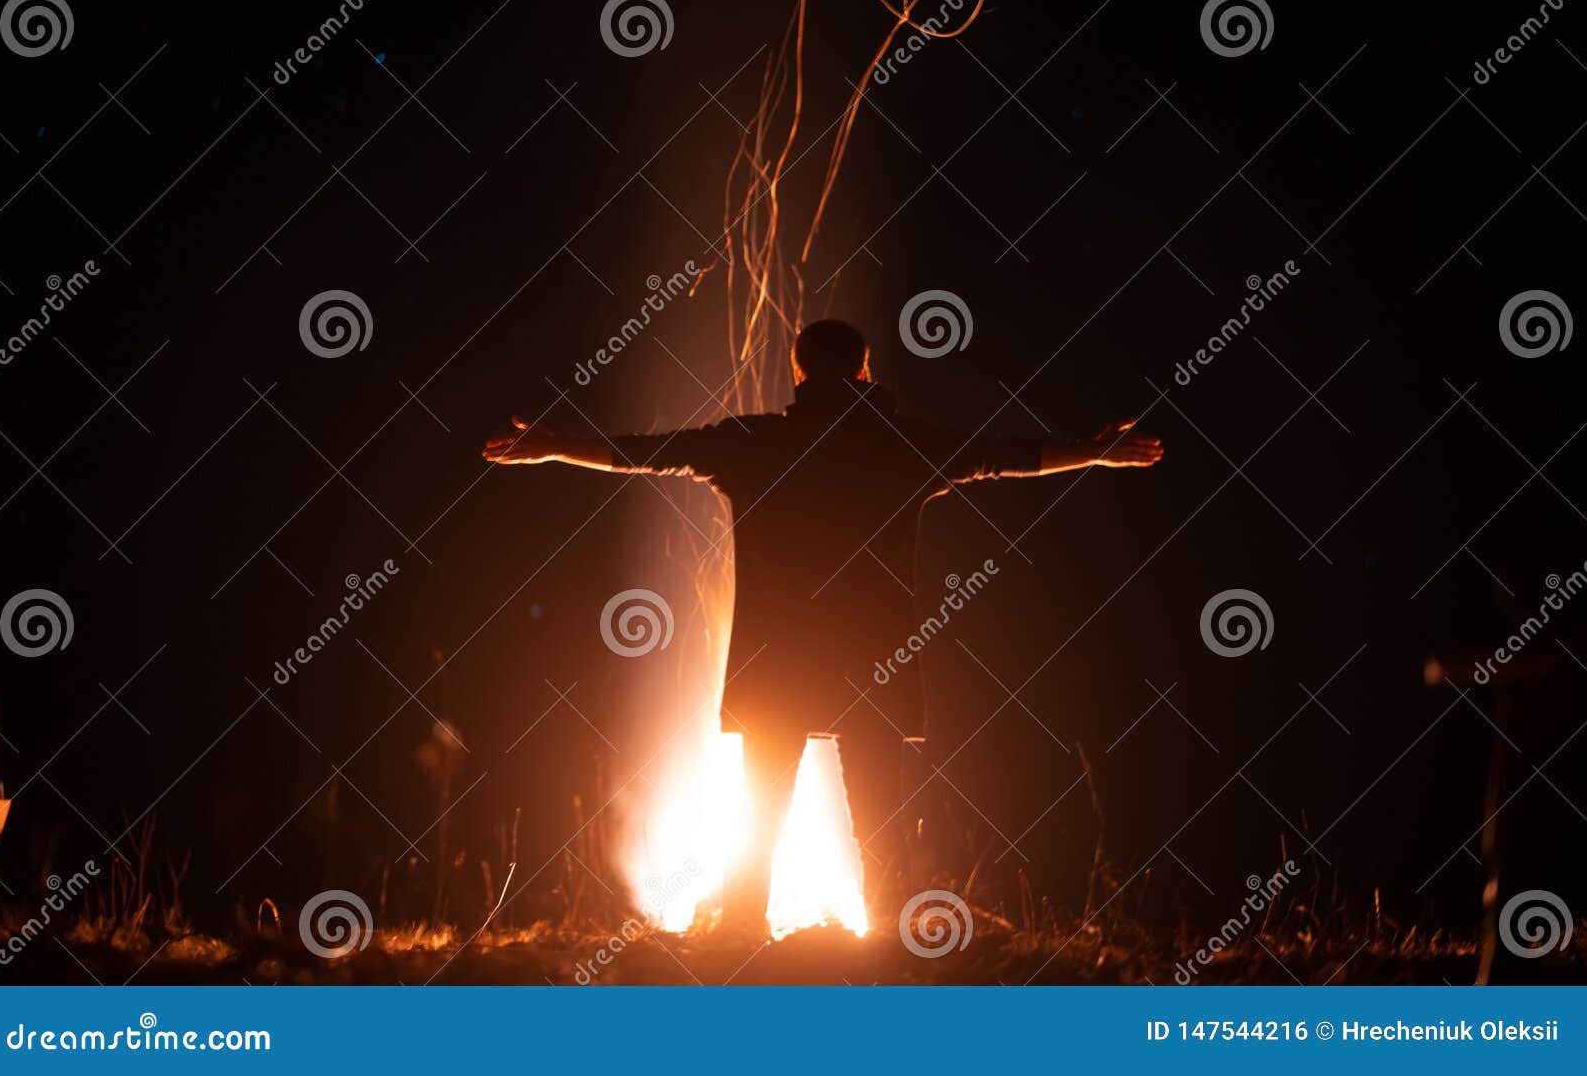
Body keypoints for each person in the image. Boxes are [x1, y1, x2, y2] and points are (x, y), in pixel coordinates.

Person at [483, 319, 1162, 938]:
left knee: (763, 817)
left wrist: (555, 447)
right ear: (865, 371)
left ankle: (742, 940)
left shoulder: (756, 443)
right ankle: (896, 950)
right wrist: (1096, 452)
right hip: (875, 664)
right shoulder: (906, 446)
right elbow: (1005, 455)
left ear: (798, 373)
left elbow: (651, 452)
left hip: (777, 665)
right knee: (881, 824)